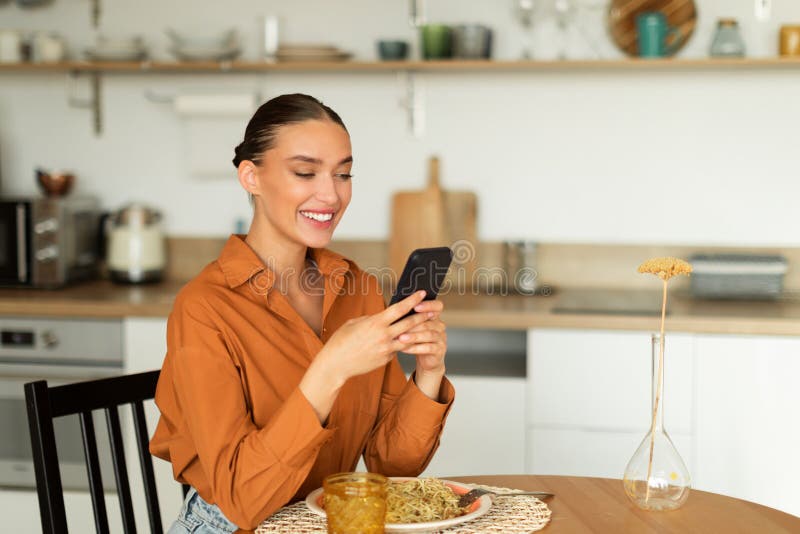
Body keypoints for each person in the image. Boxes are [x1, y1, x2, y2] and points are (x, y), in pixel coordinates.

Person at [150, 93, 454, 533]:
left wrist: (428, 372)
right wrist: (329, 369)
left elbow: (390, 465)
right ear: (251, 177)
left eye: (344, 174)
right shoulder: (204, 308)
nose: (330, 194)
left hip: (325, 520)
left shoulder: (358, 288)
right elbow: (240, 499)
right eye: (305, 172)